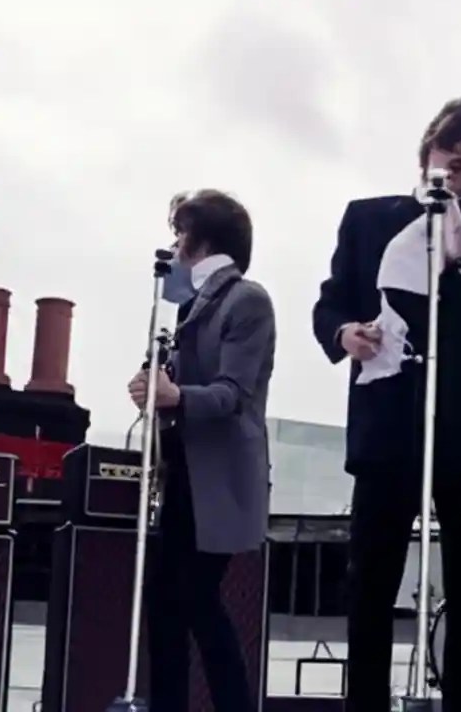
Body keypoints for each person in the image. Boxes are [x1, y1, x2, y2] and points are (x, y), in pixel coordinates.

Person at [311, 92, 461, 712]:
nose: (446, 169)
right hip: (387, 424)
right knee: (370, 584)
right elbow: (331, 302)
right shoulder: (366, 218)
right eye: (442, 152)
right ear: (425, 149)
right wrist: (344, 333)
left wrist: (457, 253)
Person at [126, 189, 276, 712]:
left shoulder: (246, 299)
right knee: (168, 603)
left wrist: (174, 394)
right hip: (185, 472)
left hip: (219, 480)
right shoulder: (194, 306)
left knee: (194, 598)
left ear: (202, 239)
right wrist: (160, 388)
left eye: (180, 233)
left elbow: (234, 394)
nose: (173, 246)